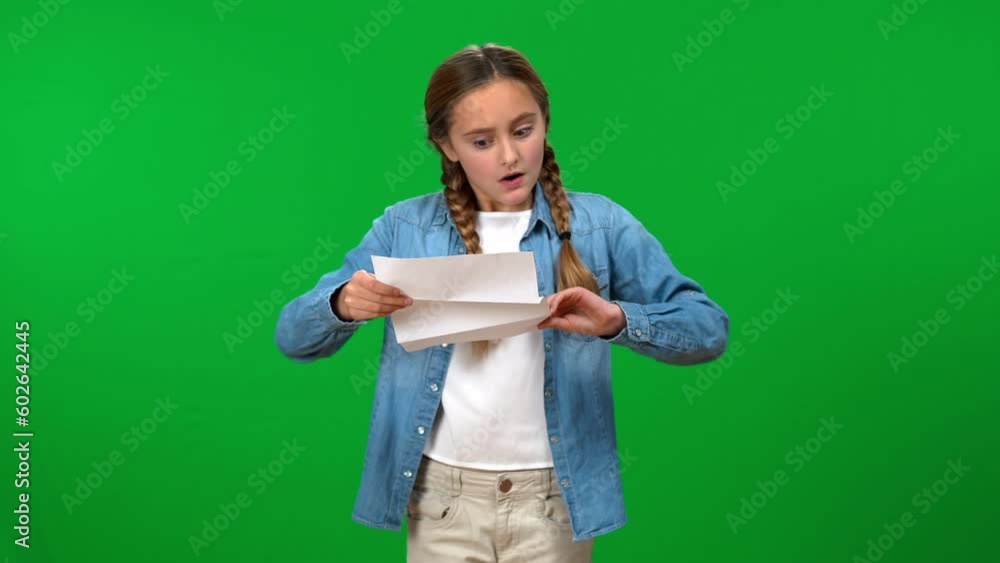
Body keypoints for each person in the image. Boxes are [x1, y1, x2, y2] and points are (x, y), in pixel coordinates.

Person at [275, 43, 729, 563]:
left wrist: (618, 321)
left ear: (545, 120)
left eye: (523, 130)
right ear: (447, 145)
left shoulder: (601, 226)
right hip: (441, 499)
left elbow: (707, 329)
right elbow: (293, 337)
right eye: (481, 141)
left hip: (555, 500)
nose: (510, 156)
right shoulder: (404, 228)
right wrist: (340, 303)